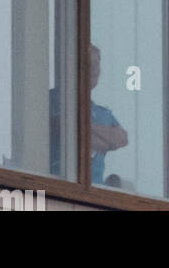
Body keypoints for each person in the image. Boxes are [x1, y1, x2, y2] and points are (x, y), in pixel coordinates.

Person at [49, 44, 129, 185]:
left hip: (95, 188)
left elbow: (121, 139)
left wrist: (83, 126)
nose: (95, 69)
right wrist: (104, 140)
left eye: (97, 64)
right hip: (59, 183)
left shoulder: (102, 112)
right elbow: (61, 126)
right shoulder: (55, 98)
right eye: (89, 63)